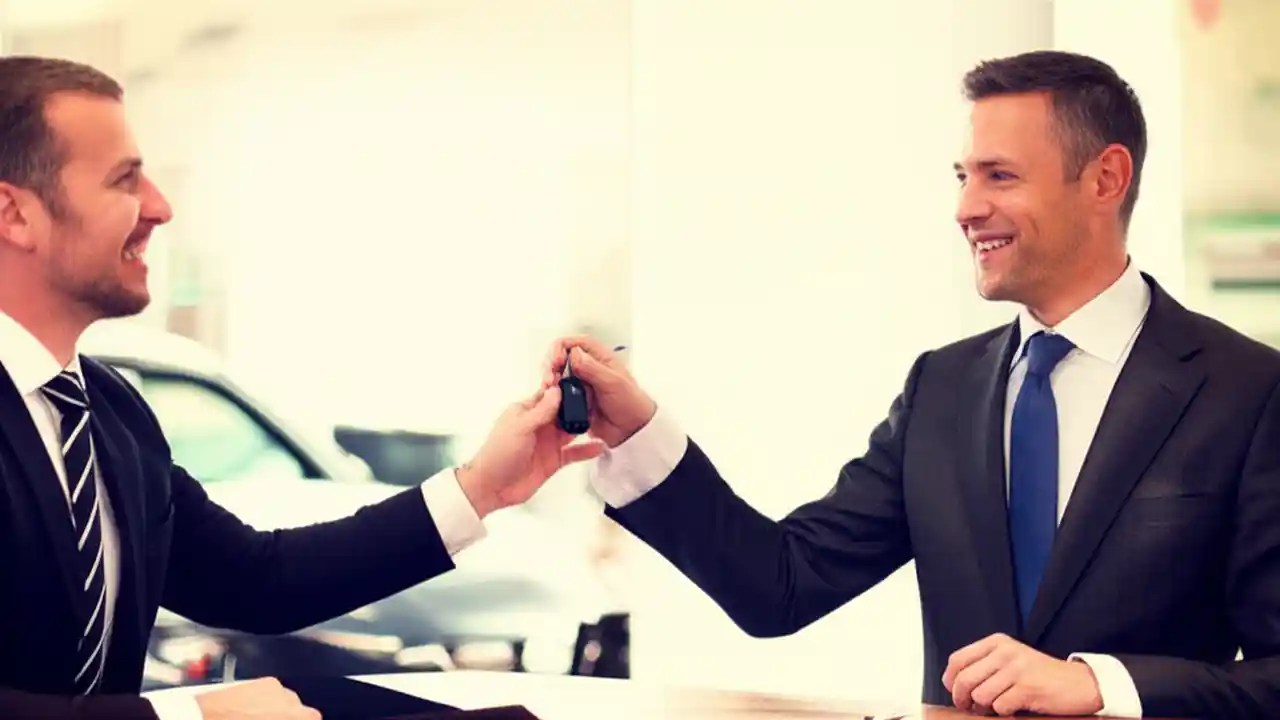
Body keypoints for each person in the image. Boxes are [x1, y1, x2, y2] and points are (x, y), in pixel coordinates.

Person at [539, 50, 1280, 719]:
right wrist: (636, 433)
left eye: (1000, 175)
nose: (965, 209)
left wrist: (1103, 685)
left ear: (1105, 179)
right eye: (964, 177)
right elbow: (780, 586)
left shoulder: (1247, 391)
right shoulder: (943, 389)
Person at [0, 56, 604, 720]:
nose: (160, 207)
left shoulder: (109, 412)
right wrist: (192, 717)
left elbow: (255, 580)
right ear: (15, 214)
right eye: (124, 180)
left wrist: (483, 487)